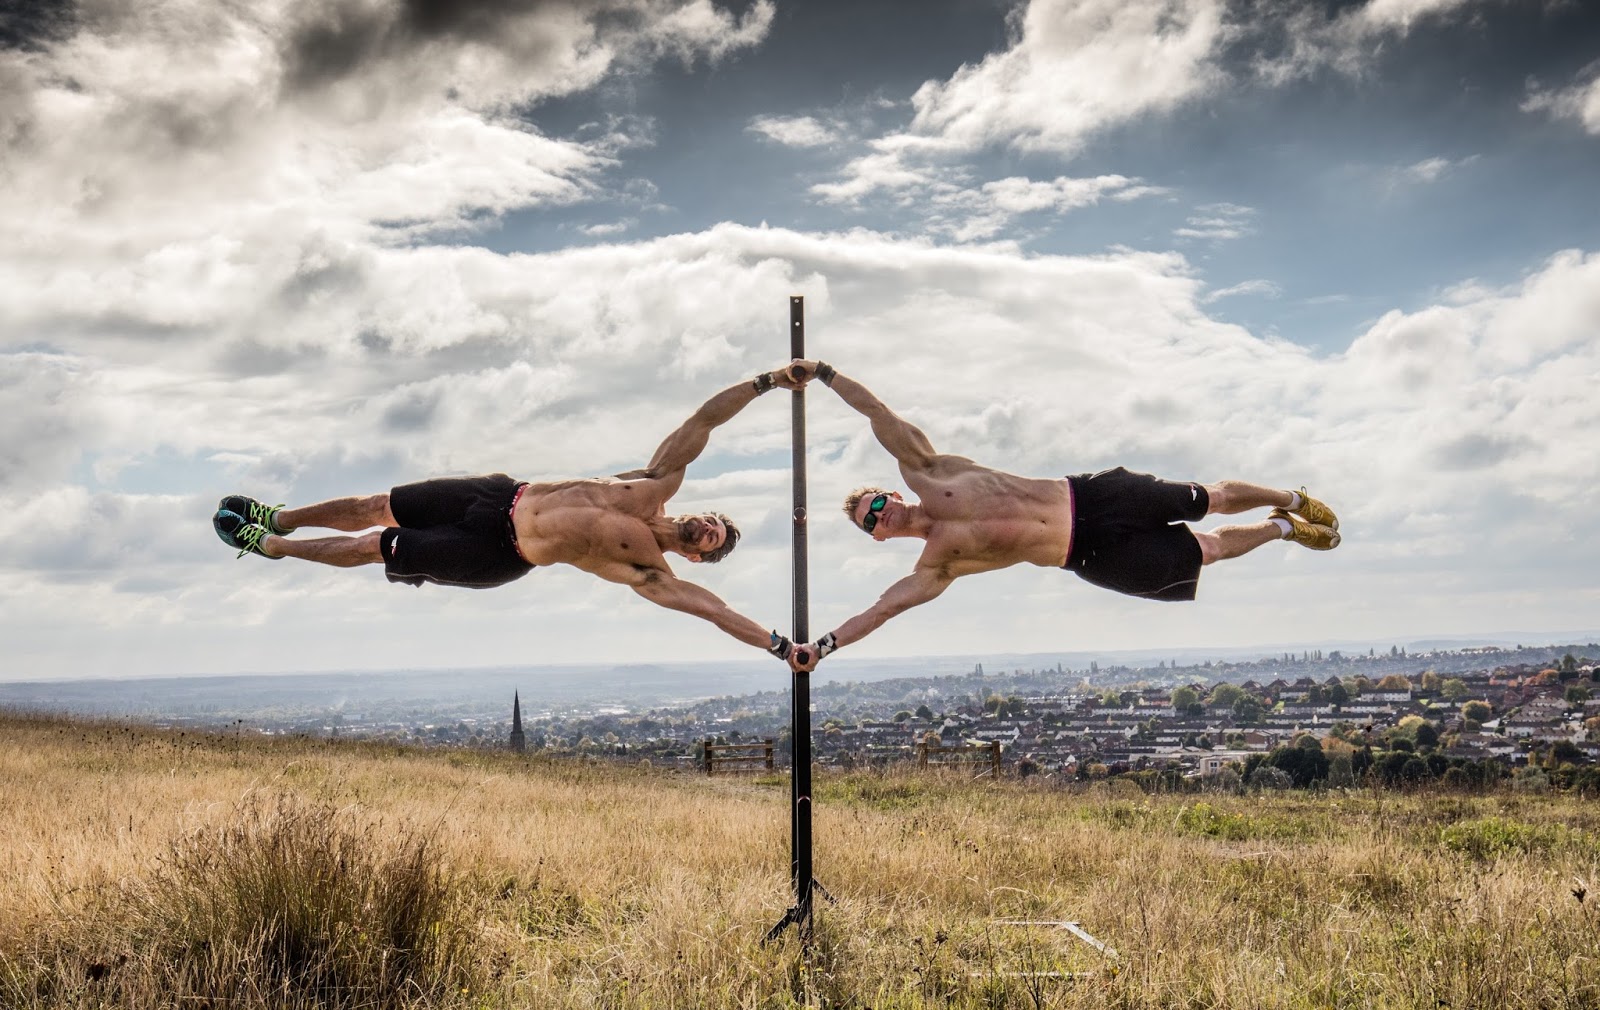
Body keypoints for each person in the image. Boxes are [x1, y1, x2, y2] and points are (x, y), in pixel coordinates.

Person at [212, 365, 811, 661]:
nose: (709, 530)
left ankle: (270, 547)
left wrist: (781, 647)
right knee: (378, 504)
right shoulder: (653, 483)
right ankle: (281, 517)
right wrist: (767, 382)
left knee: (377, 544)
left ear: (696, 556)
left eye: (713, 542)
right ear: (701, 512)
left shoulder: (653, 572)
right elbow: (703, 422)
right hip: (500, 495)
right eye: (716, 522)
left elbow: (716, 613)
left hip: (498, 553)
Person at [782, 360, 1340, 672]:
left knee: (1209, 498)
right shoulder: (936, 566)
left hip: (1090, 498)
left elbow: (878, 413)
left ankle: (1291, 499)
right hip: (1084, 555)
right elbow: (880, 612)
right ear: (875, 538)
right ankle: (1284, 529)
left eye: (876, 503)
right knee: (1208, 550)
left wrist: (825, 375)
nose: (880, 515)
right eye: (869, 522)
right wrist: (822, 648)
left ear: (889, 492)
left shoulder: (931, 473)